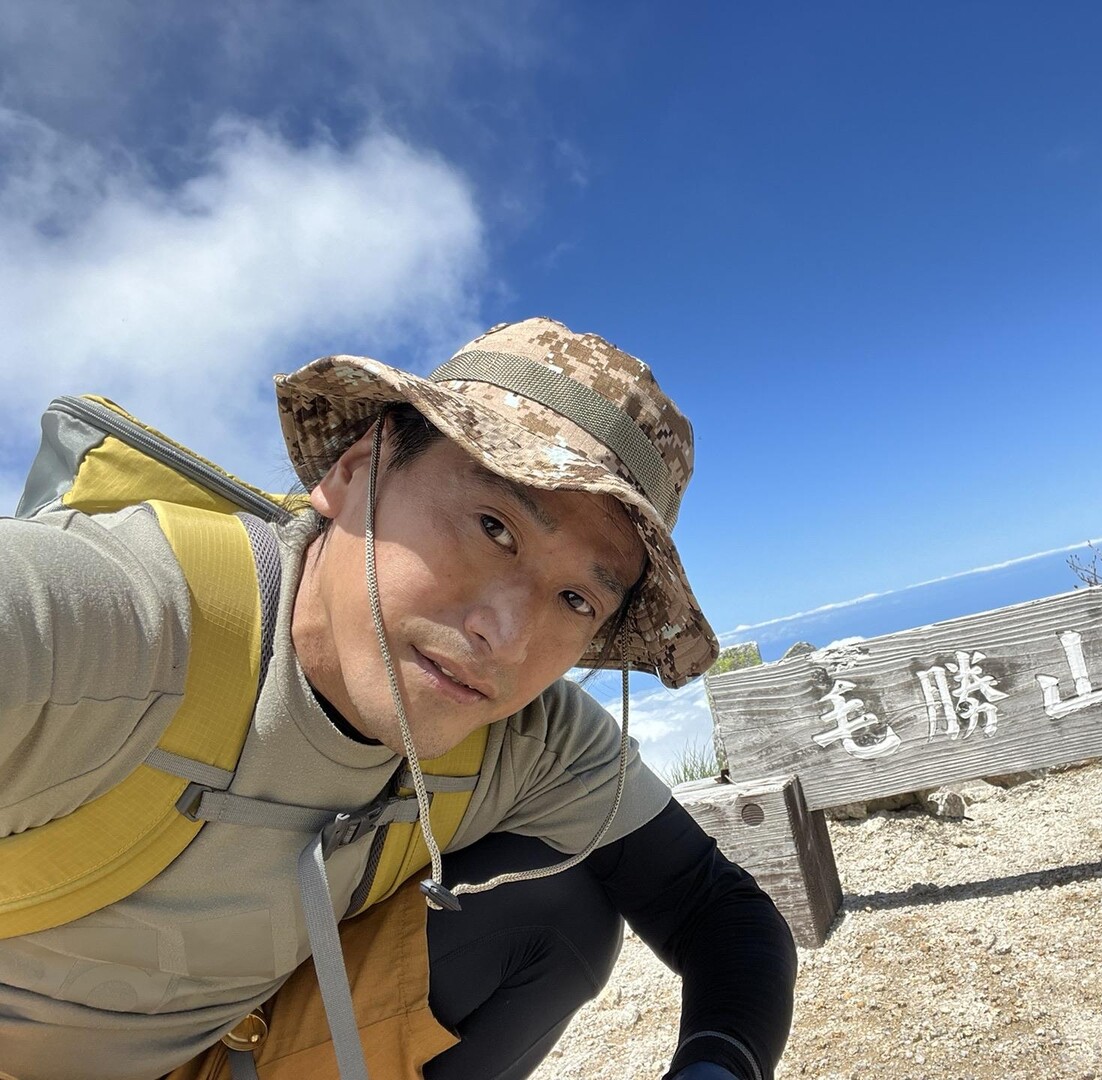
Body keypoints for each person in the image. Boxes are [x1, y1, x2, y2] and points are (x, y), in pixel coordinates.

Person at [0, 318, 797, 1080]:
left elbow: (716, 911)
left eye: (577, 600)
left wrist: (717, 1067)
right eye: (494, 527)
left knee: (563, 908)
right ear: (354, 470)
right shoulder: (109, 623)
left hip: (226, 1054)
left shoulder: (526, 739)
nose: (506, 637)